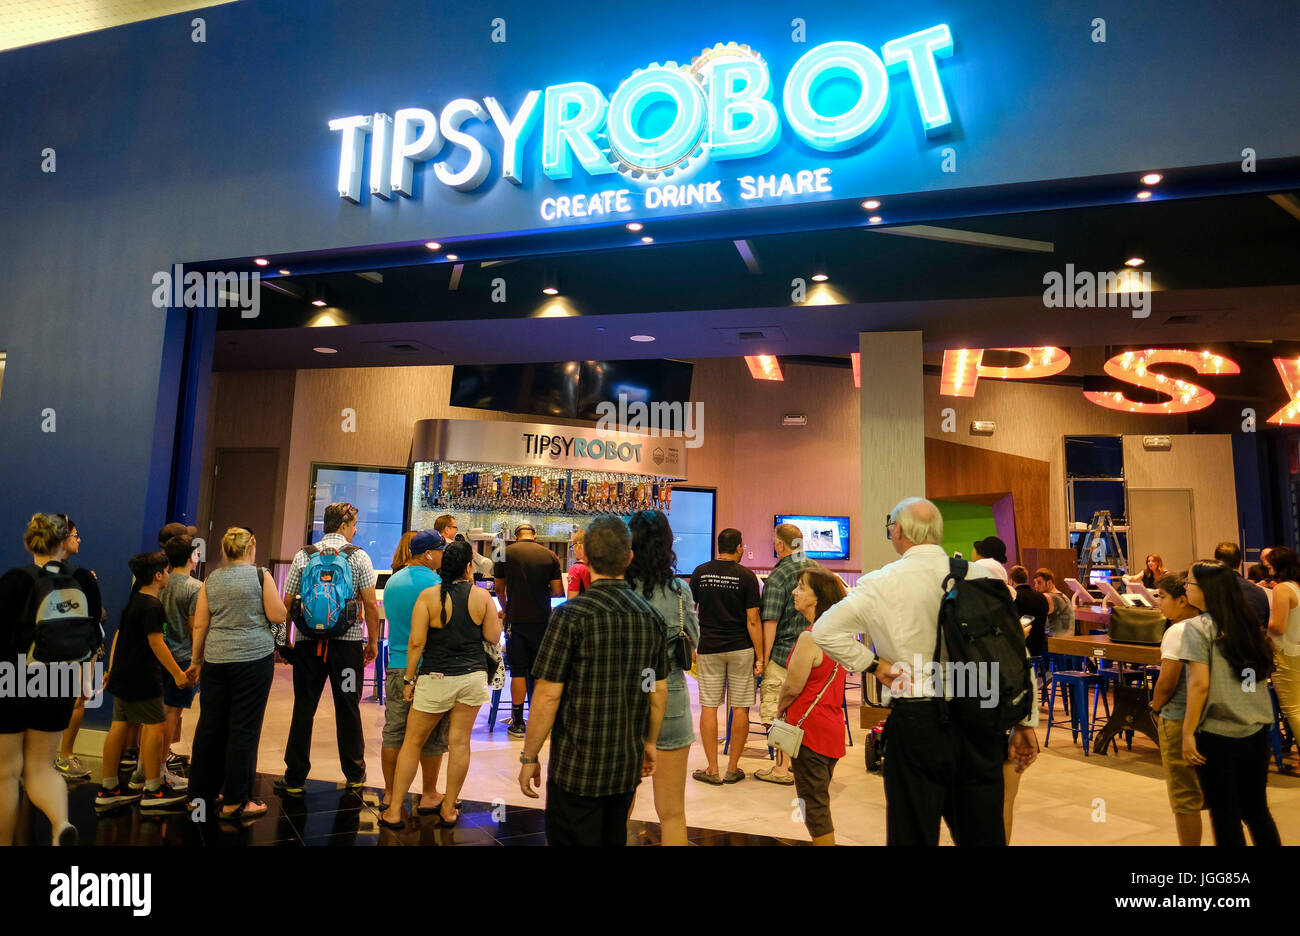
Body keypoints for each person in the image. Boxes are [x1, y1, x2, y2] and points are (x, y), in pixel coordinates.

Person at [812, 497, 1040, 846]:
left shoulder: (880, 583)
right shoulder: (980, 576)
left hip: (916, 721)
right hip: (979, 719)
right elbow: (1014, 653)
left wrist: (875, 666)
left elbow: (825, 631)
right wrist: (1025, 720)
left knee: (912, 833)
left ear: (899, 530)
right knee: (982, 833)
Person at [517, 516, 669, 846]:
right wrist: (650, 742)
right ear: (629, 558)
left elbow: (546, 695)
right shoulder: (650, 618)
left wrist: (530, 756)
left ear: (584, 558)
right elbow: (655, 689)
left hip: (576, 768)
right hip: (625, 765)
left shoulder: (570, 617)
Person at [380, 540, 499, 829]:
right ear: (469, 568)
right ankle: (447, 809)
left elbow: (417, 643)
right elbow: (494, 637)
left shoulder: (429, 596)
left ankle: (395, 810)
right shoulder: (481, 597)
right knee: (459, 744)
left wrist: (409, 680)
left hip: (435, 678)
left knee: (412, 741)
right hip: (471, 678)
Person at [277, 502, 380, 796]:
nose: (356, 529)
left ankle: (294, 778)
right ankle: (355, 775)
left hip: (309, 646)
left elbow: (287, 605)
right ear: (345, 525)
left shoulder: (303, 555)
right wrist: (371, 642)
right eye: (355, 523)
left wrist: (283, 641)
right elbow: (370, 604)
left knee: (304, 708)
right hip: (346, 649)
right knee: (347, 707)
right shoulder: (358, 556)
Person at [1180, 559, 1280, 846]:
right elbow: (1249, 682)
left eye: (1190, 583)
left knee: (1225, 815)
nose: (1186, 588)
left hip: (1217, 735)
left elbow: (1199, 685)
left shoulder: (1198, 628)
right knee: (1256, 810)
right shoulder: (1246, 624)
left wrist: (1187, 734)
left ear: (1207, 589)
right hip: (1257, 730)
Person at [188, 528, 284, 820]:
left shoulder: (211, 579)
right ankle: (235, 801)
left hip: (216, 660)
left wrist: (196, 660)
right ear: (252, 546)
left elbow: (200, 625)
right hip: (253, 660)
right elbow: (279, 614)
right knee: (244, 728)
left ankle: (199, 797)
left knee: (210, 727)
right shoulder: (261, 576)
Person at [0, 514, 82, 844]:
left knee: (6, 772)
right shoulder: (83, 581)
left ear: (28, 542)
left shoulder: (14, 580)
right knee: (42, 767)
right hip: (60, 679)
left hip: (13, 677)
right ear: (65, 543)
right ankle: (60, 823)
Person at [625, 510, 698, 846]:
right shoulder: (680, 590)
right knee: (672, 813)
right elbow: (692, 642)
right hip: (671, 701)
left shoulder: (618, 588)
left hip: (624, 703)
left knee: (619, 809)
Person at [98, 552, 191, 812]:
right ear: (158, 575)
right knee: (154, 727)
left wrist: (112, 670)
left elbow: (121, 636)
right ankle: (153, 789)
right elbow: (156, 642)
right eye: (167, 571)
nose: (169, 576)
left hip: (123, 676)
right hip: (143, 678)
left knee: (119, 725)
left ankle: (109, 787)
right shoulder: (153, 606)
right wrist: (177, 673)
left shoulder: (134, 602)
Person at [378, 530, 453, 814]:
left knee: (394, 731)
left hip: (398, 665)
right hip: (430, 668)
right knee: (432, 735)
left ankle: (389, 791)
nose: (444, 555)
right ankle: (430, 793)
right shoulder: (437, 583)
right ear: (427, 554)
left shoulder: (393, 581)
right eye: (441, 550)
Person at [776, 568, 848, 845]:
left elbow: (793, 686)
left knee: (815, 810)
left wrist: (779, 709)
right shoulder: (839, 634)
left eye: (802, 587)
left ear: (817, 598)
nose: (795, 592)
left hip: (809, 732)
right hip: (830, 728)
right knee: (817, 801)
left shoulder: (811, 637)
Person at [689, 527, 762, 785]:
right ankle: (733, 768)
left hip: (709, 647)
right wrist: (760, 655)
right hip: (741, 648)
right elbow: (753, 619)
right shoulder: (747, 576)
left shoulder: (700, 572)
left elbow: (691, 611)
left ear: (719, 546)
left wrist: (693, 645)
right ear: (739, 547)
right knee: (740, 706)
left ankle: (711, 768)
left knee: (709, 706)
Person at [756, 522, 821, 784]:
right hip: (815, 655)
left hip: (784, 655)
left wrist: (764, 658)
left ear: (779, 545)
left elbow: (769, 621)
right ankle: (798, 765)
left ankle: (781, 769)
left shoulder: (779, 576)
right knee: (803, 712)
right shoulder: (818, 570)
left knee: (776, 710)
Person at [1148, 572, 1204, 846]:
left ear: (1183, 600)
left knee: (1185, 799)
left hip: (1178, 718)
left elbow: (1167, 680)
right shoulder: (1211, 624)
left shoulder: (1178, 631)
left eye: (1162, 597)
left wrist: (1156, 706)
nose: (1158, 603)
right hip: (1208, 718)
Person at [494, 522, 562, 739]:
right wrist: (540, 596)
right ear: (535, 536)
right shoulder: (550, 555)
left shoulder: (502, 552)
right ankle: (541, 718)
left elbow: (498, 588)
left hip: (516, 620)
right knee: (540, 671)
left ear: (515, 537)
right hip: (543, 620)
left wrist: (506, 608)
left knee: (518, 671)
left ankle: (517, 722)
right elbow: (558, 591)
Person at [54, 516, 104, 781]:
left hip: (50, 649)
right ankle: (65, 756)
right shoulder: (79, 575)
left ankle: (52, 756)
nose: (79, 538)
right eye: (75, 534)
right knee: (77, 699)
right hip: (79, 647)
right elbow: (93, 614)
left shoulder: (37, 575)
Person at [158, 534, 200, 784]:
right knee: (171, 713)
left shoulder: (160, 582)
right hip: (183, 659)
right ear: (191, 557)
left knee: (157, 714)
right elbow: (196, 625)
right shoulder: (194, 587)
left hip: (160, 655)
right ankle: (162, 768)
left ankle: (150, 765)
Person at [1265, 547, 1300, 745]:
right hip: (1296, 648)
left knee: (1293, 709)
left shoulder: (1282, 588)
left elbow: (1278, 627)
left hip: (1285, 652)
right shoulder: (1296, 586)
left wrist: (1261, 626)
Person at [1213, 541, 1270, 629]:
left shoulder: (1210, 591)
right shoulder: (1259, 591)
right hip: (1254, 641)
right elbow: (1264, 625)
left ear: (1216, 563)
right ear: (1241, 562)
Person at [434, 514, 493, 579]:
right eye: (455, 528)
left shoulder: (432, 546)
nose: (456, 531)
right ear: (447, 529)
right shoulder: (454, 548)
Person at [1010, 565, 1049, 658]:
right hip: (1039, 645)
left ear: (1011, 581)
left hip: (1022, 647)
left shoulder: (1014, 597)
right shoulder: (1042, 597)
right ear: (1026, 579)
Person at [1032, 568, 1075, 638]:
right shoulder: (1064, 596)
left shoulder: (1047, 597)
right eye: (1035, 583)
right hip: (1069, 641)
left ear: (1049, 583)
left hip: (1054, 643)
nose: (1036, 586)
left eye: (1039, 583)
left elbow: (1036, 620)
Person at [566, 528, 592, 598]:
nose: (573, 551)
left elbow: (571, 599)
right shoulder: (601, 565)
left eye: (572, 546)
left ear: (578, 546)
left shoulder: (576, 568)